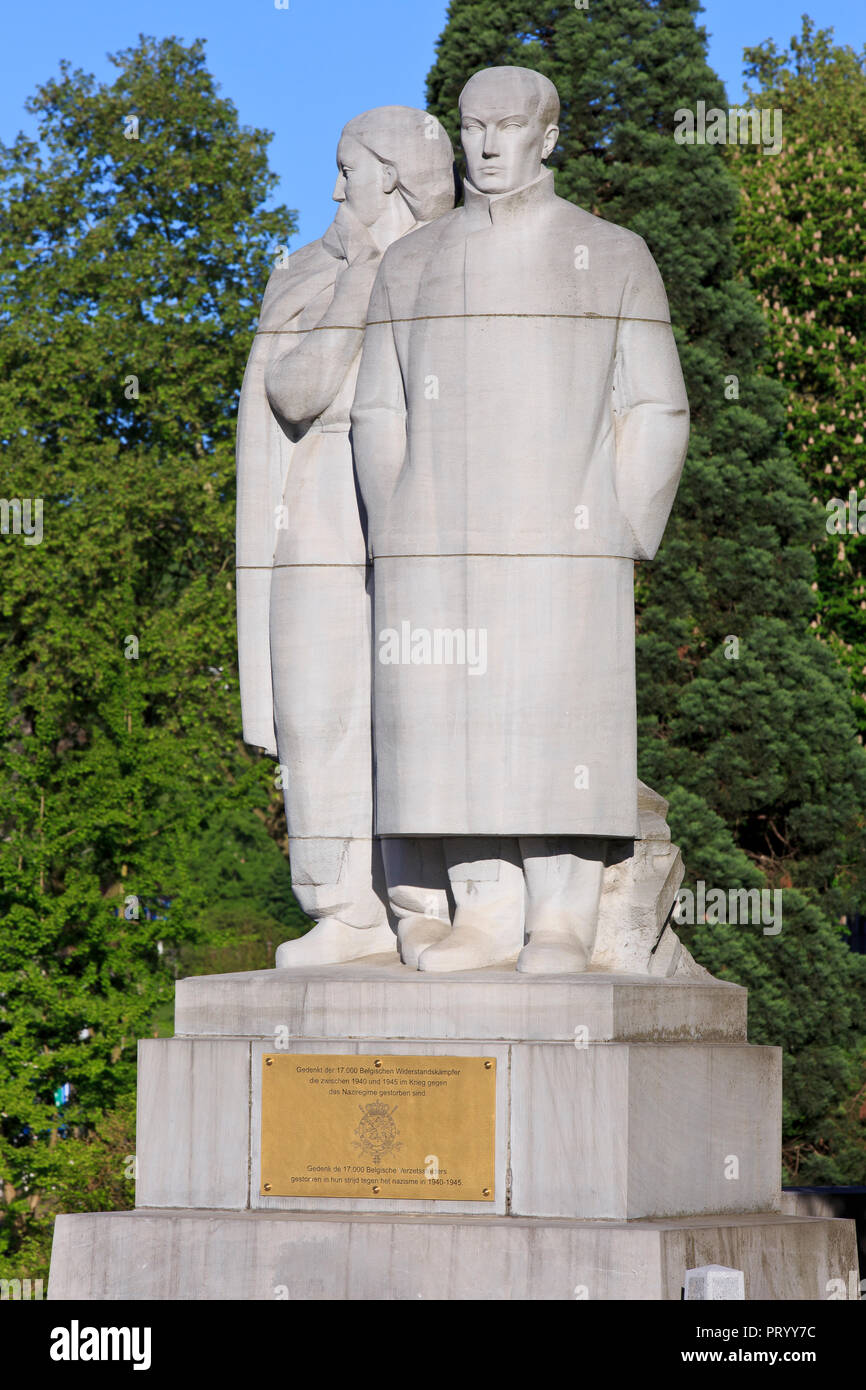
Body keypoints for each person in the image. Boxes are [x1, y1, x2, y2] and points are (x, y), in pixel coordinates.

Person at [351, 67, 690, 973]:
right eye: (473, 126)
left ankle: (562, 919)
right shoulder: (411, 262)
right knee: (452, 716)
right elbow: (378, 411)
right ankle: (485, 909)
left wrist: (616, 525)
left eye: (509, 126)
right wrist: (398, 521)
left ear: (548, 135)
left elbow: (657, 405)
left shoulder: (611, 251)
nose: (490, 144)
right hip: (436, 536)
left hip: (565, 534)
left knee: (556, 720)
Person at [236, 107, 455, 966]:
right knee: (320, 708)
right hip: (322, 502)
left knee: (427, 708)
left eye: (347, 168)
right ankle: (343, 909)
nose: (333, 187)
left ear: (392, 177)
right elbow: (294, 391)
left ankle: (435, 899)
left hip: (432, 503)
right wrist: (365, 279)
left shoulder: (457, 262)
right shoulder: (306, 272)